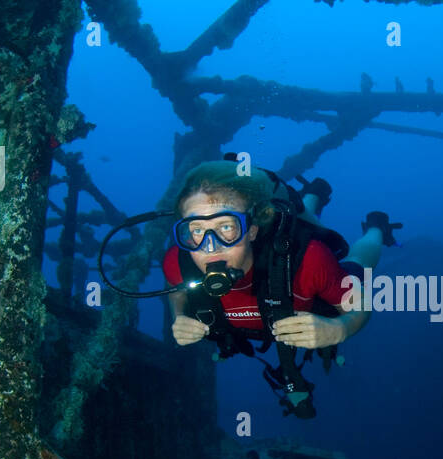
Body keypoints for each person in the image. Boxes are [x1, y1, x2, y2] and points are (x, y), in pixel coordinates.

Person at [161, 159, 402, 417]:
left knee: (357, 265)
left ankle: (377, 228)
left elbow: (361, 304)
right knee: (301, 216)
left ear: (252, 230)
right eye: (196, 230)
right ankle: (310, 197)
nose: (210, 247)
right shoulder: (178, 262)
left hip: (309, 275)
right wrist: (179, 316)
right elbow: (177, 289)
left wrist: (340, 328)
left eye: (227, 227)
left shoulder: (310, 259)